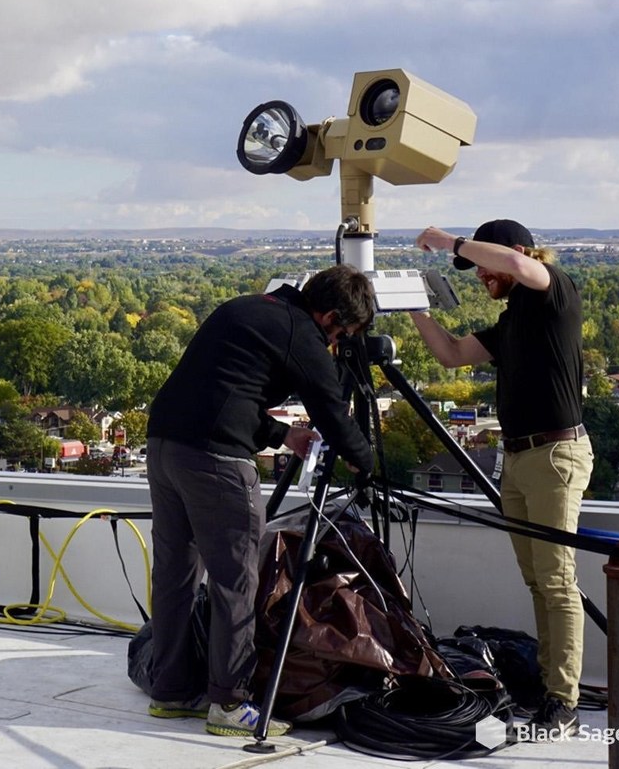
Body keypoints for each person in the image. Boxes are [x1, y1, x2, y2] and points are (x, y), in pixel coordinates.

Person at [142, 264, 378, 738]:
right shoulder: (302, 333)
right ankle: (228, 704)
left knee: (175, 574)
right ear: (330, 316)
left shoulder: (248, 308)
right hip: (217, 464)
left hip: (165, 446)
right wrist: (366, 461)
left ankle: (170, 692)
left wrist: (281, 435)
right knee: (237, 580)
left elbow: (226, 391)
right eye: (342, 334)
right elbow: (331, 410)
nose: (337, 345)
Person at [407, 219, 590, 739]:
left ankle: (565, 701)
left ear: (517, 252)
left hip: (555, 453)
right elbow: (453, 354)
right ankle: (553, 691)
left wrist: (450, 243)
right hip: (518, 458)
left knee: (556, 581)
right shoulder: (512, 322)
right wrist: (411, 307)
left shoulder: (554, 292)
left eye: (483, 266)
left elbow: (516, 266)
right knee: (539, 580)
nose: (481, 276)